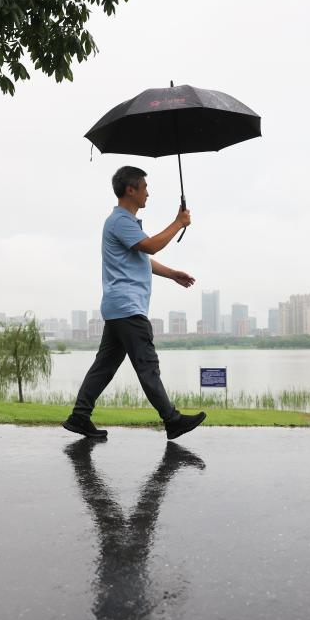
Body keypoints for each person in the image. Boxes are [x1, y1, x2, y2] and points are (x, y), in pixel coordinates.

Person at [63, 166, 206, 441]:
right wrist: (178, 222)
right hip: (128, 309)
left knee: (104, 366)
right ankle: (173, 420)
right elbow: (150, 246)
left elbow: (143, 257)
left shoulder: (123, 223)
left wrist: (172, 273)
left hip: (118, 309)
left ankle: (79, 416)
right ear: (131, 190)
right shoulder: (120, 221)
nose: (148, 193)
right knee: (147, 365)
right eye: (144, 187)